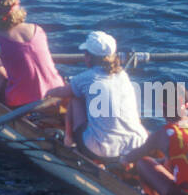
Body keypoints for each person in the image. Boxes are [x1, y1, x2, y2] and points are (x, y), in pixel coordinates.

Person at [45, 31, 147, 161]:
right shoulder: (123, 76)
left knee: (75, 97)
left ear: (88, 57)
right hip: (137, 145)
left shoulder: (85, 78)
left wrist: (47, 93)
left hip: (102, 150)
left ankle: (68, 141)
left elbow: (59, 93)